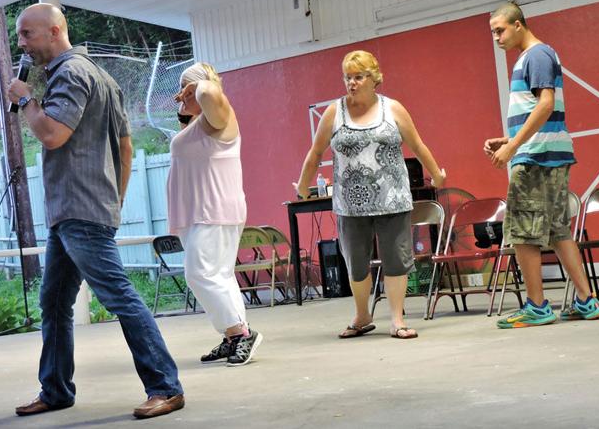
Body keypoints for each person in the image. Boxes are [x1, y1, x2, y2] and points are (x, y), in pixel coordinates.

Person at [7, 3, 184, 418]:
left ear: (53, 31)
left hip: (79, 209)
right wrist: (116, 200)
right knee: (53, 302)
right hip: (80, 209)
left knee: (119, 296)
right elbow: (125, 146)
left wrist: (28, 98)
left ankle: (165, 386)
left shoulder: (70, 73)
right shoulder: (102, 77)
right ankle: (55, 389)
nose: (21, 44)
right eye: (18, 36)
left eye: (26, 34)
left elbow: (51, 135)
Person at [294, 50, 445, 339]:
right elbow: (315, 153)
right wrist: (303, 185)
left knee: (396, 259)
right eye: (347, 77)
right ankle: (362, 316)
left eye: (358, 77)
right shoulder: (333, 112)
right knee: (356, 260)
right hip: (351, 203)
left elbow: (418, 145)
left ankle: (398, 319)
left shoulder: (393, 109)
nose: (352, 83)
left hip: (392, 197)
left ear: (373, 78)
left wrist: (436, 174)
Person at [485, 2, 599, 329]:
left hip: (536, 157)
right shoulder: (536, 56)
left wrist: (513, 146)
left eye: (501, 30)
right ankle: (585, 300)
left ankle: (537, 306)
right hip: (547, 152)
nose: (497, 38)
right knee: (557, 229)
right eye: (493, 32)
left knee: (522, 232)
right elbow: (536, 110)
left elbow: (546, 104)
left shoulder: (536, 55)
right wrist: (507, 138)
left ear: (519, 25)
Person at [169, 62, 260, 365]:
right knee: (219, 275)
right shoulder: (199, 122)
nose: (182, 96)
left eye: (187, 89)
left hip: (215, 207)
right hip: (196, 210)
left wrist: (199, 86)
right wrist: (185, 107)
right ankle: (233, 336)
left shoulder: (223, 114)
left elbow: (210, 90)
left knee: (200, 273)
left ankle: (242, 334)